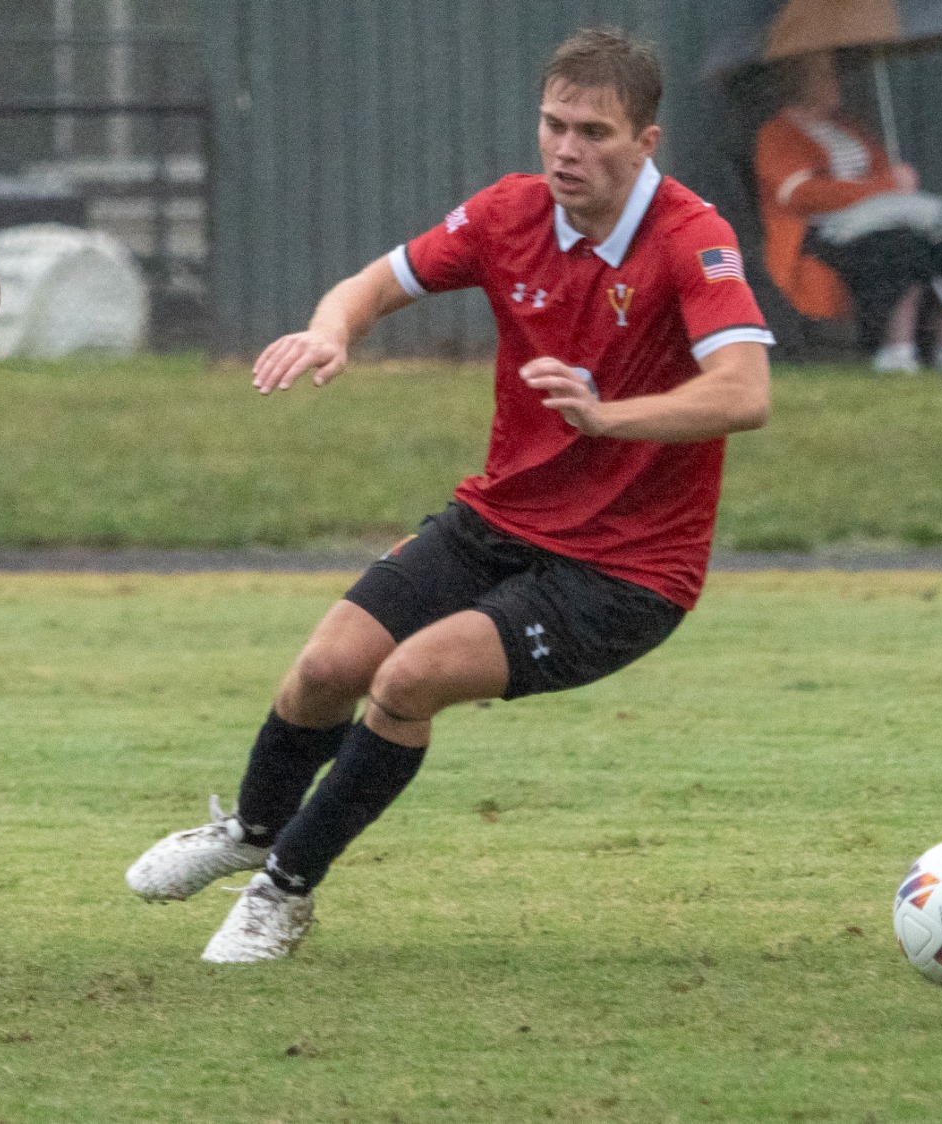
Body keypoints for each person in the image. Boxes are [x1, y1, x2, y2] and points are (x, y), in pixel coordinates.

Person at [126, 28, 774, 963]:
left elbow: (744, 394)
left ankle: (285, 889)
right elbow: (373, 285)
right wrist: (332, 331)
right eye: (554, 125)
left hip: (625, 571)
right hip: (497, 519)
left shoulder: (690, 240)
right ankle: (252, 831)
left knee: (409, 678)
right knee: (324, 668)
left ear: (647, 143)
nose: (566, 150)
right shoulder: (508, 214)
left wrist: (608, 417)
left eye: (594, 132)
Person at [754, 50, 942, 373]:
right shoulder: (777, 135)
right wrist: (883, 186)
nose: (836, 84)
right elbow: (800, 195)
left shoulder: (849, 127)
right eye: (826, 77)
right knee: (901, 249)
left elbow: (882, 174)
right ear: (802, 83)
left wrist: (896, 181)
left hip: (877, 220)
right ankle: (896, 347)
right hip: (821, 231)